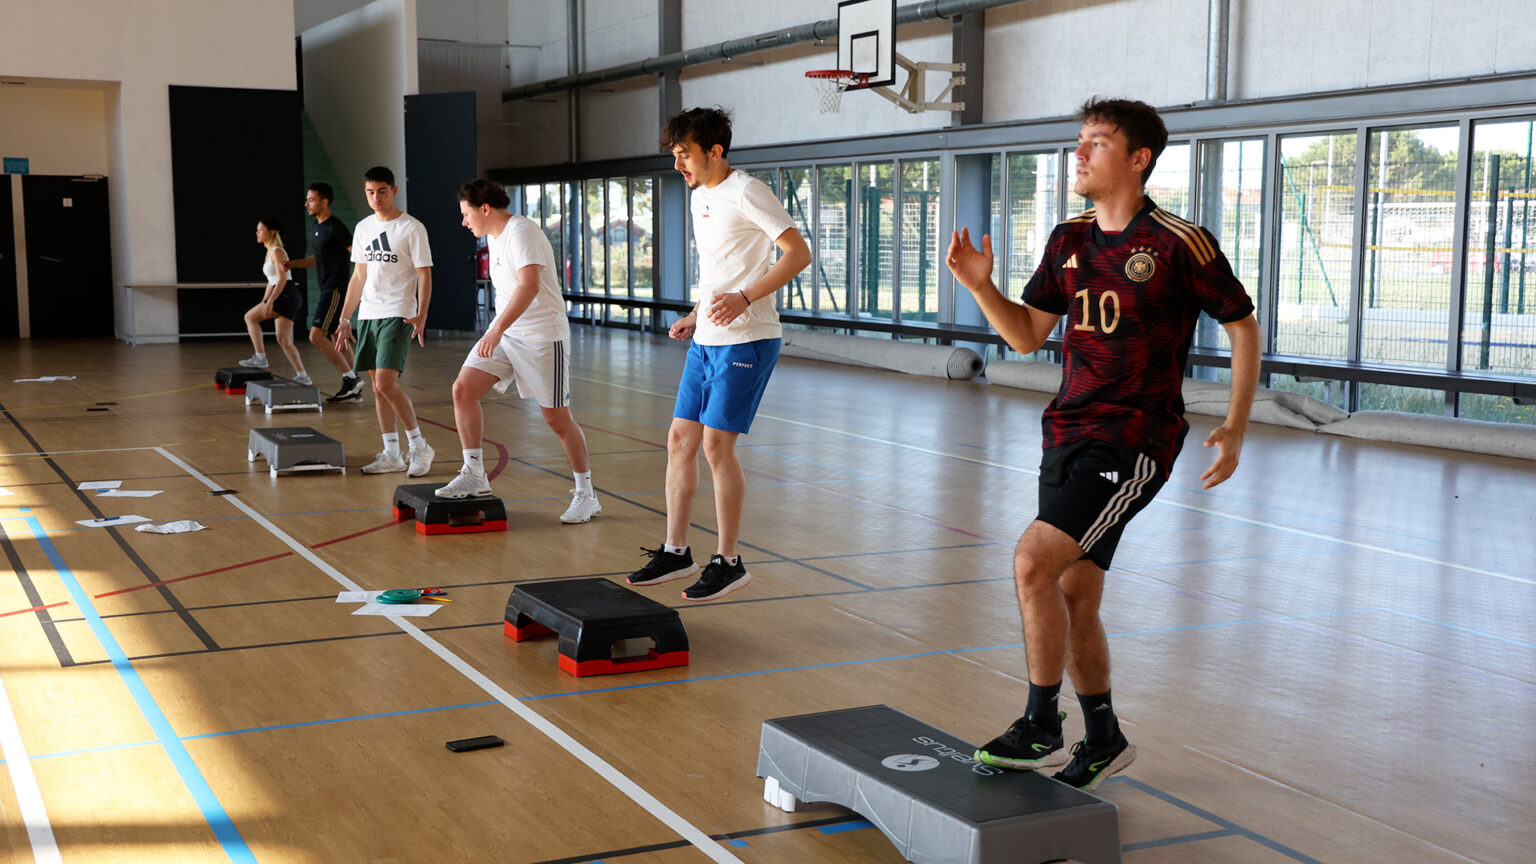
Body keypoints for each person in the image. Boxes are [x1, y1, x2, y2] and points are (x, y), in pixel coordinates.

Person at [945, 97, 1261, 790]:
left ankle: (1040, 725)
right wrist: (980, 286)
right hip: (1068, 430)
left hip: (1135, 439)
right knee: (1072, 588)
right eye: (1078, 140)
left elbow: (1242, 325)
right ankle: (1106, 736)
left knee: (1032, 561)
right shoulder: (1068, 239)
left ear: (1138, 158)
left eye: (1096, 142)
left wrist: (1236, 423)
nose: (1079, 153)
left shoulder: (1180, 241)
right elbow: (1027, 335)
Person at [626, 107, 811, 602]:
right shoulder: (700, 197)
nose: (678, 165)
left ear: (715, 151)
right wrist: (696, 312)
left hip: (748, 339)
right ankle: (676, 550)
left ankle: (729, 562)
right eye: (674, 156)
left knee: (715, 446)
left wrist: (746, 298)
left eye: (684, 155)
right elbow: (719, 271)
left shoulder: (748, 191)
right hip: (708, 336)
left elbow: (798, 253)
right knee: (679, 441)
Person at [439, 179, 601, 524]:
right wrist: (499, 331)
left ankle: (586, 495)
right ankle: (474, 473)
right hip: (508, 337)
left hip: (543, 338)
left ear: (485, 208)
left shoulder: (522, 231)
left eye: (466, 214)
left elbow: (530, 286)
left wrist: (495, 329)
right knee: (463, 390)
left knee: (556, 419)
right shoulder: (493, 239)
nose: (463, 222)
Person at [334, 166, 436, 476]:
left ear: (393, 191)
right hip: (369, 314)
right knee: (378, 390)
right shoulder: (363, 228)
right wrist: (345, 317)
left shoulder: (412, 228)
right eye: (369, 192)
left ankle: (419, 445)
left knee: (384, 383)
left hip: (398, 312)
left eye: (381, 191)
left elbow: (424, 272)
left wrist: (422, 313)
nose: (375, 197)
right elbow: (359, 275)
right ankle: (392, 453)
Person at [281, 183, 364, 402]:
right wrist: (294, 264)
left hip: (335, 287)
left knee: (316, 335)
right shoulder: (316, 228)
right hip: (326, 287)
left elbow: (356, 254)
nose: (307, 203)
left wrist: (362, 278)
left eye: (311, 199)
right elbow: (318, 259)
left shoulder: (336, 227)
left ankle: (351, 378)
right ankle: (354, 387)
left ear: (324, 202)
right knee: (338, 336)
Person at [238, 218, 310, 384]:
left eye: (261, 229)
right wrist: (265, 300)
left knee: (250, 317)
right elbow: (272, 280)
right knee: (284, 340)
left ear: (272, 232)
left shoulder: (278, 251)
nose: (257, 233)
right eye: (257, 230)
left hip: (286, 293)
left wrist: (270, 302)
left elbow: (283, 280)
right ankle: (303, 376)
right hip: (284, 294)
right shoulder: (269, 251)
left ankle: (260, 357)